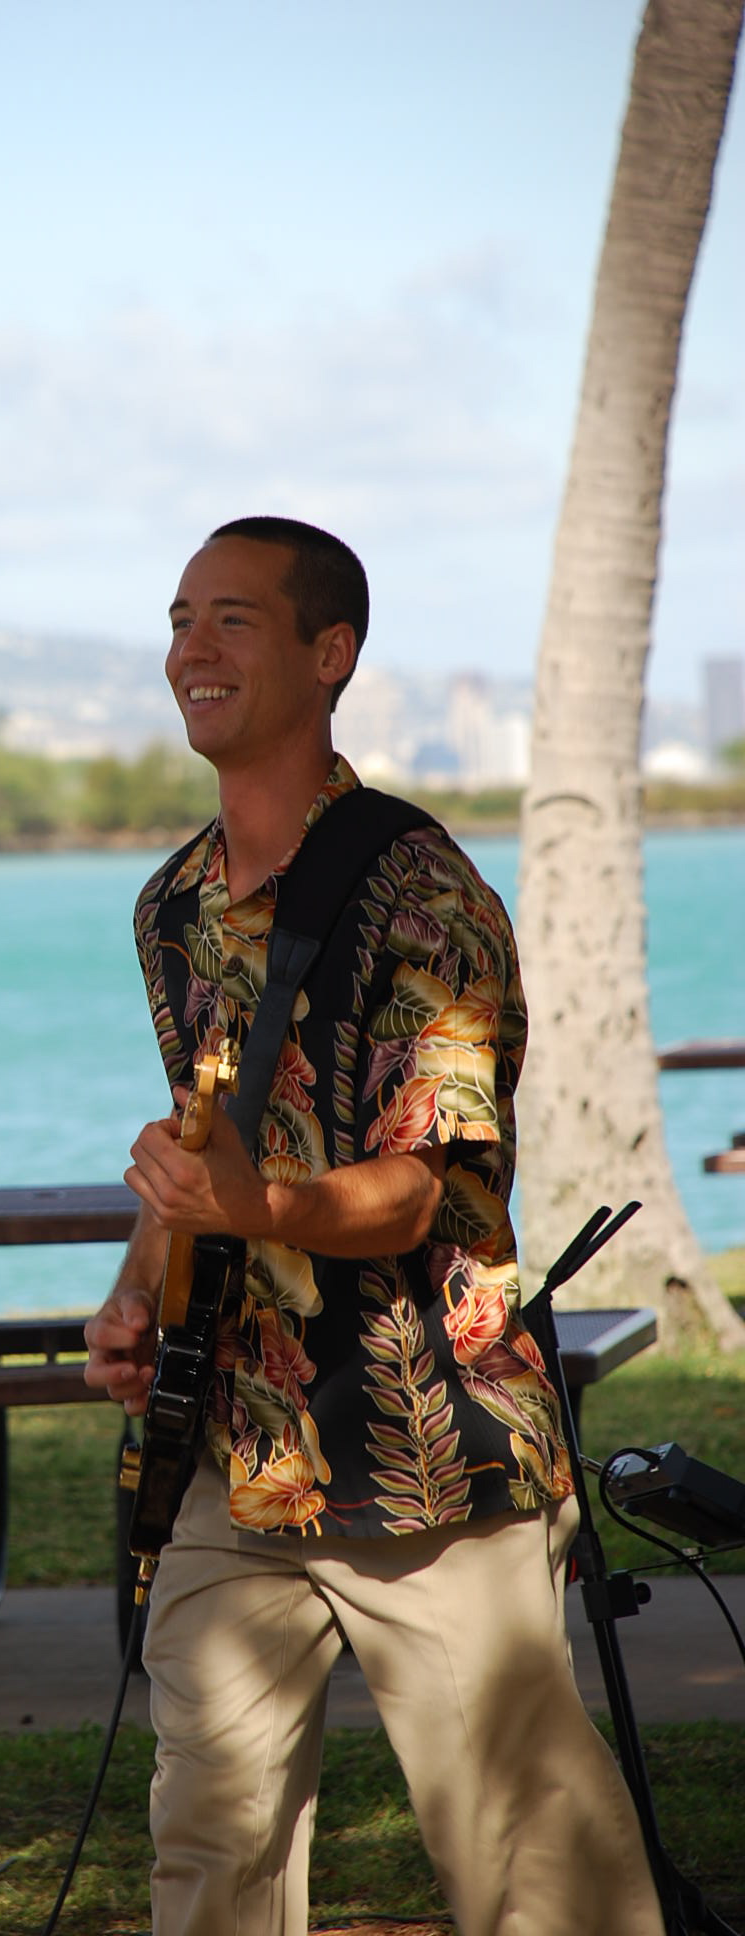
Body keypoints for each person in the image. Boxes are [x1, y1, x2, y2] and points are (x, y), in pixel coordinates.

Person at [83, 516, 663, 1936]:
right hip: (237, 1445)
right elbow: (214, 1138)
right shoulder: (173, 905)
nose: (192, 647)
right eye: (179, 619)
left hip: (428, 1459)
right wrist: (142, 1285)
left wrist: (258, 1206)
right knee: (206, 1849)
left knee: (531, 1860)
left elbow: (424, 1189)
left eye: (233, 619)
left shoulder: (425, 892)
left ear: (329, 653)